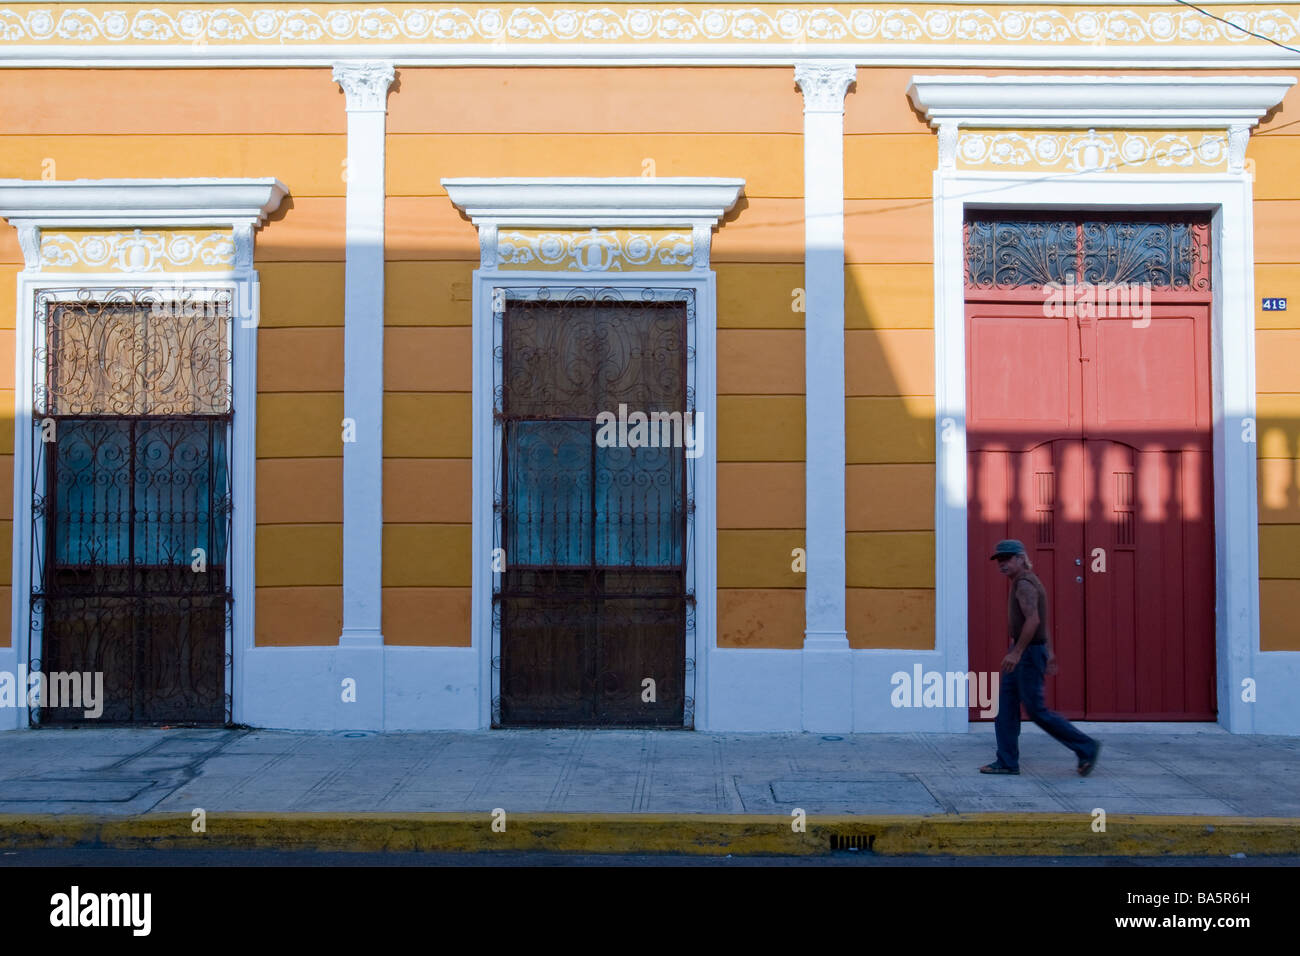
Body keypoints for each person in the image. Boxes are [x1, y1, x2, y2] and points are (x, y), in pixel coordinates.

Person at [979, 539, 1101, 776]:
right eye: (999, 560)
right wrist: (1050, 650)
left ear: (1021, 558)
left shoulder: (1024, 583)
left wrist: (1017, 652)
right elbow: (1040, 620)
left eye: (1007, 559)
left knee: (1037, 711)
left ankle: (1086, 747)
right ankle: (1006, 761)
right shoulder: (1022, 582)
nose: (1002, 564)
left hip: (1026, 654)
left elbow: (1033, 620)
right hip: (1029, 650)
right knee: (1005, 708)